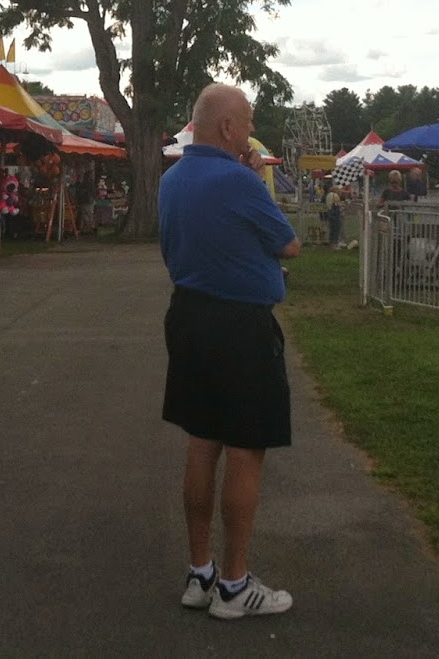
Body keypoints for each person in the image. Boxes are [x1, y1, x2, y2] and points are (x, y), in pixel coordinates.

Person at [159, 82, 300, 621]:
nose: (248, 131)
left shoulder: (172, 180)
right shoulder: (240, 180)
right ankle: (237, 586)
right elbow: (288, 242)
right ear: (227, 128)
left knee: (202, 443)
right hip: (240, 328)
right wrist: (252, 170)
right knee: (245, 449)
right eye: (245, 121)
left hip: (188, 316)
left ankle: (201, 573)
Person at [323, 183, 344, 247]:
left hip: (329, 212)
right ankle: (335, 243)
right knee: (336, 229)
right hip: (335, 213)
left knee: (332, 229)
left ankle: (331, 242)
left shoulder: (328, 195)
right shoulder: (335, 195)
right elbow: (337, 204)